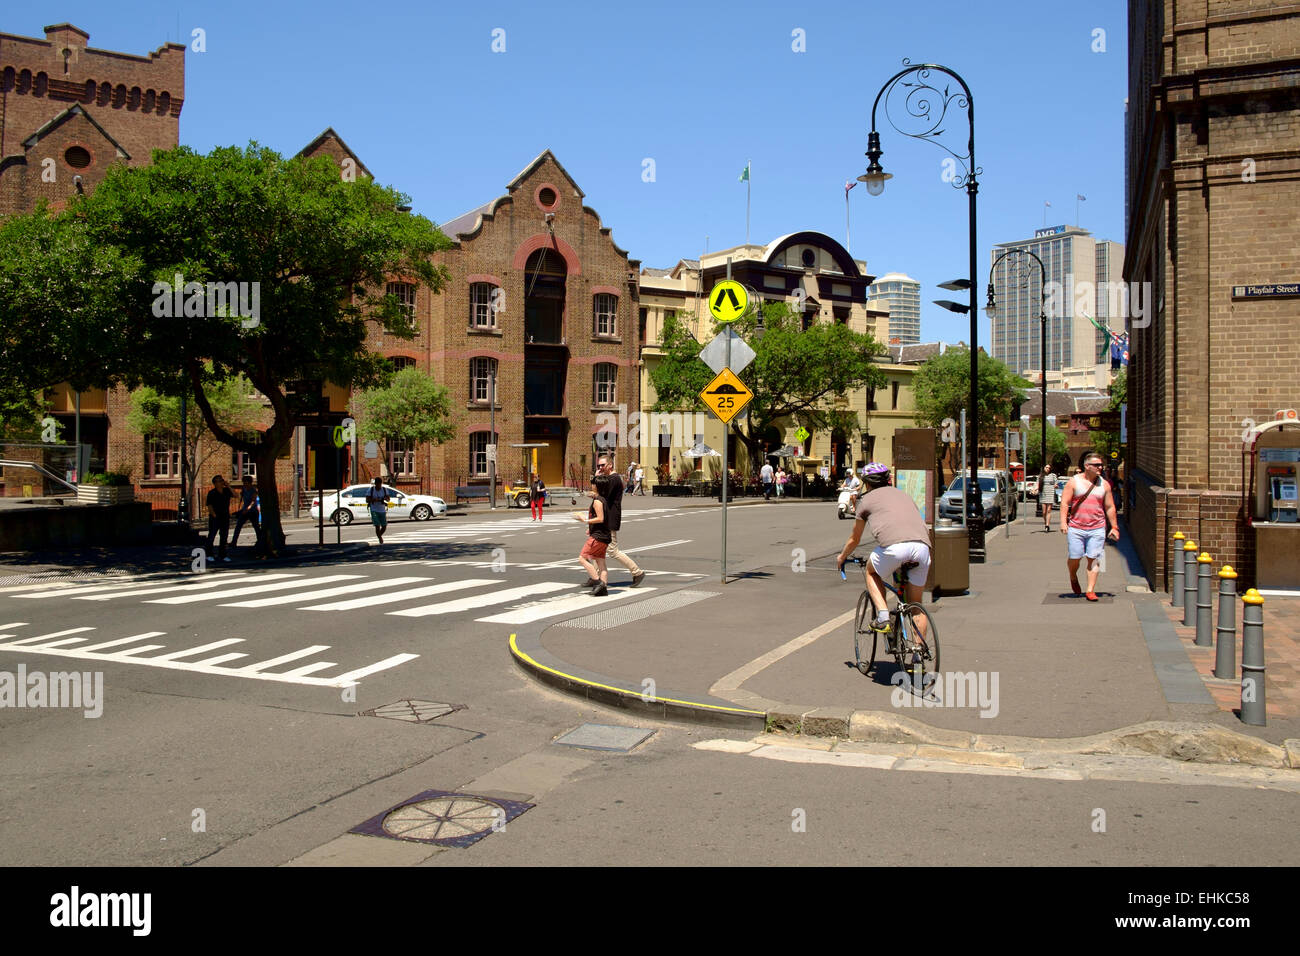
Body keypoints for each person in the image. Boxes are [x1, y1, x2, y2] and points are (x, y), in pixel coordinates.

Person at [837, 463, 932, 643]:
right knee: (916, 606)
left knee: (871, 572)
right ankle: (918, 656)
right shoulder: (903, 495)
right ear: (887, 479)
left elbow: (854, 539)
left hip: (894, 548)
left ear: (866, 483)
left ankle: (883, 616)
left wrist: (842, 557)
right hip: (922, 547)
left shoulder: (865, 501)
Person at [1059, 452, 1120, 602]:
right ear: (1087, 466)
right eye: (1096, 465)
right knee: (1075, 557)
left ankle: (1090, 590)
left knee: (1094, 558)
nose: (1100, 467)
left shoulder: (1104, 484)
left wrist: (1114, 527)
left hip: (1097, 527)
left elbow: (1110, 506)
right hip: (1076, 527)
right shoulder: (1074, 482)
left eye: (1101, 465)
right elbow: (1065, 503)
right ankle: (1073, 576)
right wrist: (1063, 522)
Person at [596, 454, 646, 587]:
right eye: (598, 465)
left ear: (610, 465)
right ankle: (595, 576)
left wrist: (596, 479)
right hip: (605, 518)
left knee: (612, 551)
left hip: (610, 518)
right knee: (596, 547)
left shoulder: (614, 479)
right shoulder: (610, 478)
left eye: (602, 465)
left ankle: (637, 572)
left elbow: (602, 496)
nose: (600, 468)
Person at [575, 473, 613, 596]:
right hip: (604, 536)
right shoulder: (603, 499)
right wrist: (591, 528)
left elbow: (600, 518)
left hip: (597, 537)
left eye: (593, 483)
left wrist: (585, 520)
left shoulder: (597, 501)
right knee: (601, 562)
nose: (591, 485)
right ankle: (604, 587)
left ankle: (598, 583)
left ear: (597, 486)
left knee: (582, 558)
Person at [204, 475, 234, 563]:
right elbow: (209, 506)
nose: (221, 482)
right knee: (212, 535)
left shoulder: (226, 491)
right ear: (215, 483)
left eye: (221, 481)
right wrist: (214, 515)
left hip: (225, 516)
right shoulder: (212, 493)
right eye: (219, 481)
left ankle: (223, 555)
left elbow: (236, 495)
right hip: (215, 517)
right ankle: (209, 554)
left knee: (224, 536)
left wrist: (228, 486)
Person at [231, 475, 262, 553]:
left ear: (250, 483)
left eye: (247, 483)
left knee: (256, 527)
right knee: (238, 526)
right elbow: (240, 497)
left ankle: (261, 541)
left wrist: (248, 509)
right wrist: (242, 509)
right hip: (244, 510)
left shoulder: (253, 490)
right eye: (244, 483)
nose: (245, 484)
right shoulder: (244, 489)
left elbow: (253, 501)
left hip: (253, 511)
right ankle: (234, 542)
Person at [365, 477, 393, 545]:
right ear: (375, 484)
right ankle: (380, 538)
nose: (378, 486)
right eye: (377, 485)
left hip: (382, 509)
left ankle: (379, 535)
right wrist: (373, 499)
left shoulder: (384, 489)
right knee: (377, 525)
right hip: (374, 509)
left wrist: (385, 498)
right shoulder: (371, 490)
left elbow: (388, 499)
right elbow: (367, 499)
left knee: (384, 526)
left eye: (379, 484)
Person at [1039, 465, 1058, 531]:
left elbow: (1056, 483)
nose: (1048, 469)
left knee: (1049, 510)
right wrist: (1034, 489)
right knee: (1044, 512)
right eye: (1046, 467)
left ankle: (1047, 525)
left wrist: (1056, 485)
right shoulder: (1040, 476)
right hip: (1043, 494)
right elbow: (1037, 484)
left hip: (1050, 493)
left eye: (1049, 468)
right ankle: (1045, 522)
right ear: (1044, 468)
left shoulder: (1053, 475)